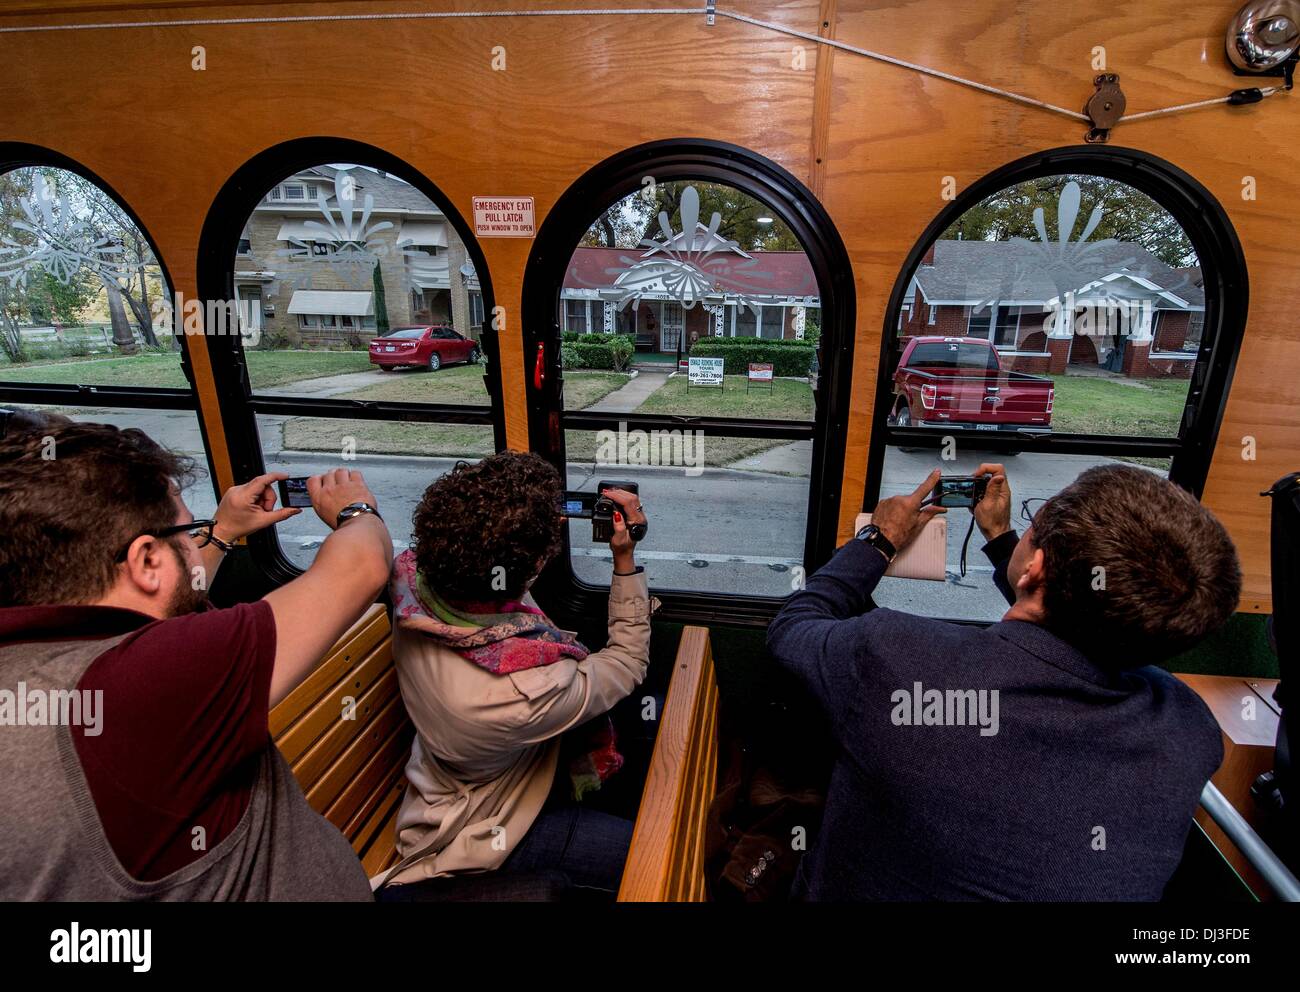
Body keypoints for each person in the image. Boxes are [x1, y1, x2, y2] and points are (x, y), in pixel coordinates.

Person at [768, 462, 1241, 901]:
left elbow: (793, 627)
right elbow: (1075, 633)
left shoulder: (895, 661)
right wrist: (1001, 537)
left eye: (1037, 520)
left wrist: (878, 538)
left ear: (1035, 568)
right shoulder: (1188, 730)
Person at [0, 415, 393, 900]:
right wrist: (356, 510)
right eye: (187, 528)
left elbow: (154, 597)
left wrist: (222, 531)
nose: (195, 537)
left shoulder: (46, 667)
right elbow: (362, 566)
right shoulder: (145, 682)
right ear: (147, 560)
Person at [376, 451, 656, 900]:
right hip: (486, 825)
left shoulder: (416, 580)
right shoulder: (527, 689)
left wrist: (534, 530)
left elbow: (491, 552)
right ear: (537, 565)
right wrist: (624, 558)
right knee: (653, 857)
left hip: (469, 772)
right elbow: (626, 663)